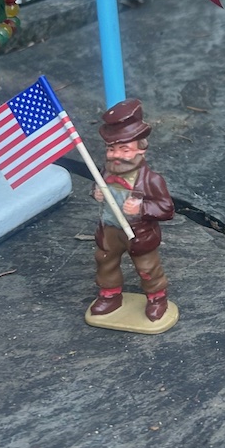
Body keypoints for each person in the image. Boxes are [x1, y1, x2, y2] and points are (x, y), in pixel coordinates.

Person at [89, 98, 175, 326]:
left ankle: (157, 298)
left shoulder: (151, 180)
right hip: (109, 229)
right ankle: (110, 295)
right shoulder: (104, 172)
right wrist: (95, 192)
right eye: (112, 149)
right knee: (105, 260)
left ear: (141, 150)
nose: (116, 155)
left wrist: (142, 208)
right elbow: (99, 189)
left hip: (139, 233)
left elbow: (167, 209)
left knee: (147, 268)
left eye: (124, 149)